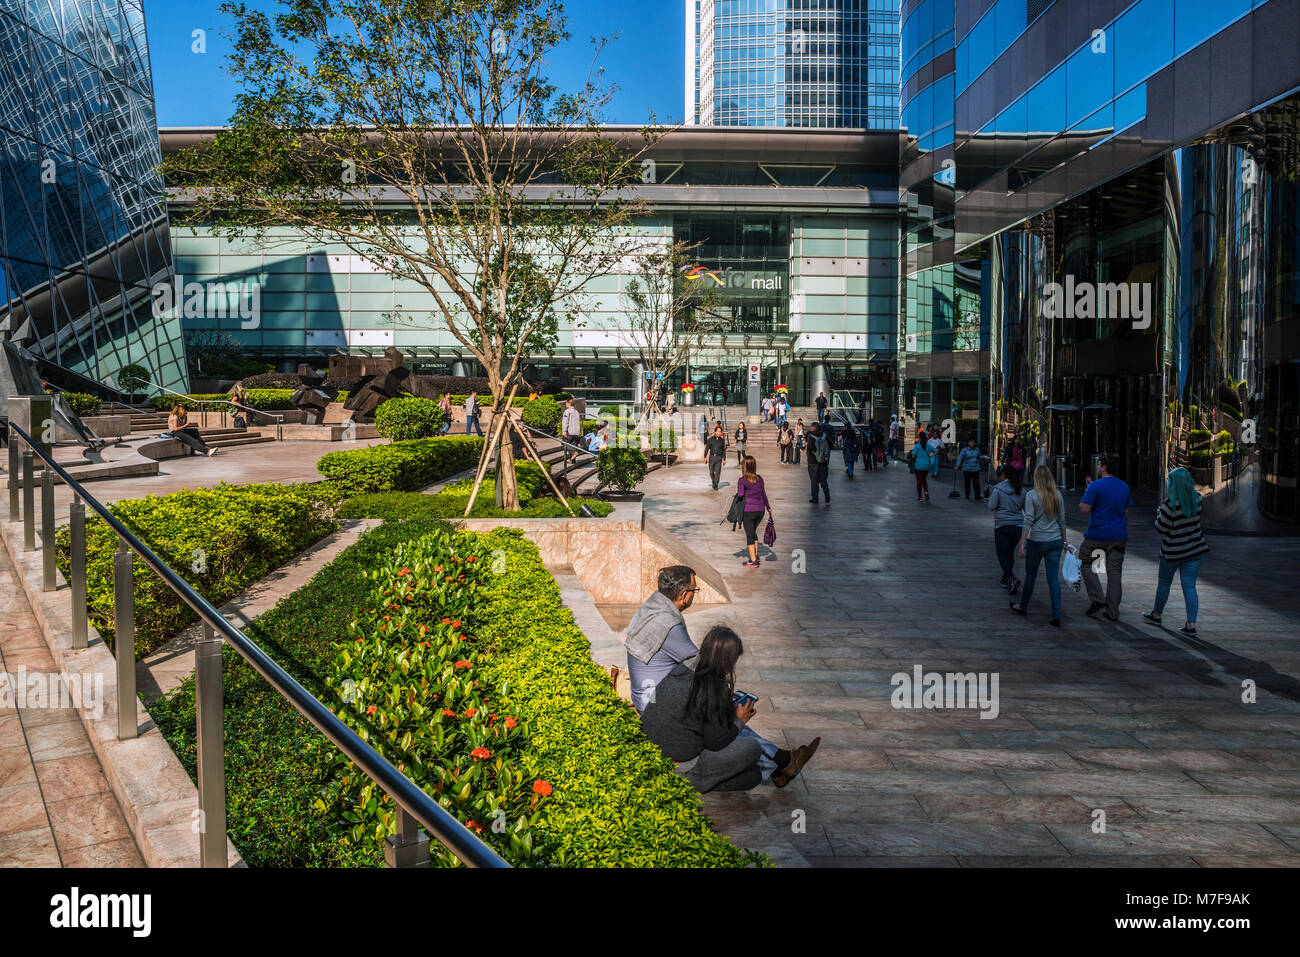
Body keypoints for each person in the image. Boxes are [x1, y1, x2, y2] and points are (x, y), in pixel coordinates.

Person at [640, 625, 820, 791]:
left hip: (651, 760)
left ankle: (783, 764)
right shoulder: (711, 690)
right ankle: (782, 764)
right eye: (733, 661)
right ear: (726, 661)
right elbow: (715, 742)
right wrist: (739, 722)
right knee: (752, 748)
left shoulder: (683, 669)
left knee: (749, 768)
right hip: (681, 771)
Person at [625, 565, 701, 713]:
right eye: (694, 590)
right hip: (653, 706)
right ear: (684, 595)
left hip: (641, 696)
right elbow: (700, 665)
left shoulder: (651, 606)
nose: (694, 594)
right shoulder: (669, 625)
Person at [1143, 467, 1209, 636]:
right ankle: (1191, 624)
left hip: (1172, 552)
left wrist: (1159, 515)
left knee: (1164, 583)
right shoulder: (1197, 500)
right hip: (1195, 550)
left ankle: (1156, 615)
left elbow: (1160, 528)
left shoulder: (1169, 505)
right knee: (1190, 586)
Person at [1010, 465, 1067, 626]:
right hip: (1055, 540)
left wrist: (1022, 544)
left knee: (1030, 575)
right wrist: (1065, 541)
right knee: (1053, 579)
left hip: (1037, 541)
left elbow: (1028, 521)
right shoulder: (1058, 495)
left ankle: (1023, 605)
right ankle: (1056, 614)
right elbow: (1062, 521)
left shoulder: (1032, 495)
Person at [1079, 453, 1133, 621]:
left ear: (1104, 467)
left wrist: (1088, 492)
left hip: (1097, 535)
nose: (1098, 467)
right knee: (1115, 573)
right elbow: (1126, 511)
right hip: (1118, 535)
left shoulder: (1095, 486)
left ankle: (1097, 597)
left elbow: (1084, 509)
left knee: (1086, 563)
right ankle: (1113, 611)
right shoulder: (1124, 487)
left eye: (1099, 464)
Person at [988, 465, 1027, 593]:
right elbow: (1026, 509)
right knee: (1009, 552)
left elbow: (991, 506)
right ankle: (1006, 579)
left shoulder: (998, 489)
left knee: (1002, 554)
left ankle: (1011, 577)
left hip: (1002, 525)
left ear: (1004, 474)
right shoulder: (1022, 489)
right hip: (1017, 526)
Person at [735, 455, 772, 568]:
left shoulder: (742, 480)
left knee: (749, 535)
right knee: (753, 531)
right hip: (760, 510)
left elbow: (741, 494)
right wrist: (768, 507)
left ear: (744, 467)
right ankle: (756, 555)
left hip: (749, 510)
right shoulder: (759, 479)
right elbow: (763, 494)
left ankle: (753, 561)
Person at [805, 422, 830, 505]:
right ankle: (827, 495)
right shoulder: (824, 436)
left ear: (813, 428)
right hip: (823, 461)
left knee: (814, 481)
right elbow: (831, 445)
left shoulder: (811, 437)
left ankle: (815, 498)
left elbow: (809, 448)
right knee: (823, 479)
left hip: (813, 462)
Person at [702, 424, 728, 490]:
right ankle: (714, 482)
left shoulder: (722, 440)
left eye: (720, 431)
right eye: (718, 431)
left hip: (719, 458)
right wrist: (705, 457)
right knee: (711, 472)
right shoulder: (710, 439)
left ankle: (715, 485)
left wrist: (724, 459)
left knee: (717, 472)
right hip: (712, 457)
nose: (719, 433)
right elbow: (707, 448)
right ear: (715, 432)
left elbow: (723, 450)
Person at [909, 432, 932, 502]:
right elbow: (936, 450)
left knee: (919, 481)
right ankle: (926, 492)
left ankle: (920, 497)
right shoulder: (928, 446)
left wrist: (913, 454)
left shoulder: (917, 446)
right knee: (924, 480)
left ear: (920, 438)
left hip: (918, 466)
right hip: (926, 466)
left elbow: (913, 456)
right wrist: (931, 455)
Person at [561, 398, 582, 463]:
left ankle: (574, 454)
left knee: (564, 443)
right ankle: (572, 460)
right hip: (576, 432)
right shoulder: (577, 412)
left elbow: (565, 422)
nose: (565, 404)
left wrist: (564, 431)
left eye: (566, 403)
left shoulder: (567, 411)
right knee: (573, 445)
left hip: (569, 432)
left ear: (568, 403)